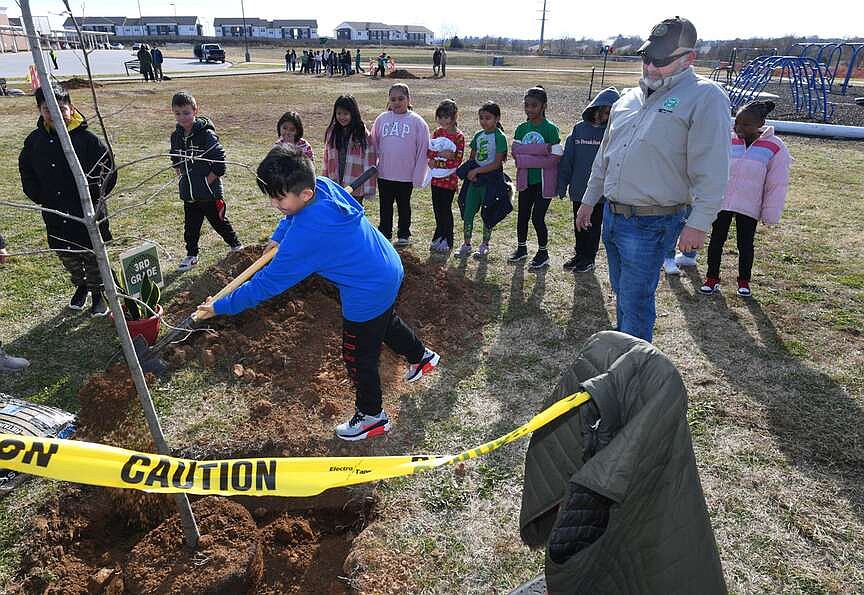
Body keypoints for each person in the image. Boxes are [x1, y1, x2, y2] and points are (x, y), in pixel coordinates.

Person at [195, 146, 440, 441]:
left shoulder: (307, 238)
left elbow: (265, 284)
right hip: (386, 266)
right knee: (384, 321)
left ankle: (372, 416)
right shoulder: (321, 184)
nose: (274, 203)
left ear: (305, 194)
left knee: (357, 354)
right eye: (271, 195)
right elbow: (290, 218)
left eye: (279, 196)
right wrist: (277, 238)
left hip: (366, 287)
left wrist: (221, 305)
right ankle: (421, 356)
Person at [577, 16, 730, 342]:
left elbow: (713, 167)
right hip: (614, 217)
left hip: (652, 222)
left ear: (689, 58)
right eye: (647, 57)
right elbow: (605, 157)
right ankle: (628, 353)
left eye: (661, 60)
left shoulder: (704, 98)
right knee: (623, 293)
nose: (650, 66)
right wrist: (589, 200)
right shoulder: (626, 100)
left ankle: (631, 371)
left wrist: (699, 222)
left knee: (635, 302)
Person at [18, 85, 116, 317]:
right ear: (40, 111)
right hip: (55, 213)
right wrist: (40, 196)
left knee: (92, 254)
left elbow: (107, 170)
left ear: (71, 108)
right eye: (47, 109)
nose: (54, 113)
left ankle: (97, 292)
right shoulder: (35, 141)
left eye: (60, 108)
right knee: (67, 254)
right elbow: (27, 171)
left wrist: (92, 195)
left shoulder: (87, 139)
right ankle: (80, 286)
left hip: (86, 211)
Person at [701, 100, 791, 297]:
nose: (739, 128)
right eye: (737, 123)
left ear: (760, 124)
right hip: (723, 202)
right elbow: (713, 168)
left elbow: (777, 183)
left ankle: (743, 281)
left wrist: (770, 213)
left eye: (746, 125)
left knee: (745, 244)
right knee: (716, 240)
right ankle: (712, 278)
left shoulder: (775, 147)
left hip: (750, 206)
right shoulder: (728, 139)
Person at [170, 91, 243, 272]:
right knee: (191, 227)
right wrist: (181, 174)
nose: (182, 117)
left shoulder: (205, 135)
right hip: (189, 193)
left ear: (195, 111)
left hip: (209, 193)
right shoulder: (176, 136)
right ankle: (192, 255)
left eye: (186, 112)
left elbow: (220, 161)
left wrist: (206, 181)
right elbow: (174, 157)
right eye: (178, 113)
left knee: (219, 221)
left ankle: (236, 246)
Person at [557, 87, 620, 273]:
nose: (609, 115)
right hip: (578, 188)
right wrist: (562, 183)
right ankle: (579, 254)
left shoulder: (613, 133)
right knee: (578, 223)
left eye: (612, 112)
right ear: (596, 109)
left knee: (592, 227)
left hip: (599, 194)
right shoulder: (579, 129)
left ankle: (589, 258)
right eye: (606, 111)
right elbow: (568, 158)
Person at [509, 85, 561, 270]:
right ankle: (521, 248)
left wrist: (526, 157)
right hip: (526, 181)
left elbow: (554, 158)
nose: (530, 109)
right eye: (527, 105)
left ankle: (543, 253)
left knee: (537, 218)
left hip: (544, 183)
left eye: (534, 105)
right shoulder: (521, 128)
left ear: (543, 106)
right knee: (522, 216)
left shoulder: (551, 129)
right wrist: (541, 151)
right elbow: (515, 153)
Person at [371, 83, 430, 246]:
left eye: (401, 99)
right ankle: (385, 232)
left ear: (408, 99)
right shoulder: (382, 119)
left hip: (406, 175)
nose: (397, 102)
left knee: (404, 206)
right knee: (385, 205)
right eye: (393, 99)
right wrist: (373, 166)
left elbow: (423, 150)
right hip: (384, 173)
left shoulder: (417, 122)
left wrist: (418, 175)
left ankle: (403, 234)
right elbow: (373, 143)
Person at [454, 101, 509, 259]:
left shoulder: (500, 137)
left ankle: (485, 244)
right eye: (481, 118)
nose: (484, 121)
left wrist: (477, 170)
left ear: (497, 118)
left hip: (490, 181)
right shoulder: (478, 135)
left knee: (488, 212)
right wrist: (470, 171)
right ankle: (466, 244)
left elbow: (497, 163)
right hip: (475, 181)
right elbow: (473, 158)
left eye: (488, 118)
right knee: (468, 211)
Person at [322, 95, 377, 203]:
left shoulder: (362, 133)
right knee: (337, 215)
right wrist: (325, 182)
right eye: (338, 113)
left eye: (346, 114)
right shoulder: (332, 132)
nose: (342, 117)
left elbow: (369, 162)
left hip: (355, 187)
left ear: (353, 114)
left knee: (353, 215)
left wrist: (369, 188)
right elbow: (326, 158)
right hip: (335, 186)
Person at [427, 99, 465, 252]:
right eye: (440, 117)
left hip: (449, 181)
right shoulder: (437, 132)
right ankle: (438, 235)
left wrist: (439, 162)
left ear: (454, 117)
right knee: (437, 209)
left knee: (445, 209)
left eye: (446, 117)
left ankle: (448, 239)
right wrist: (436, 157)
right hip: (435, 180)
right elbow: (429, 150)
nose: (443, 120)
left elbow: (456, 161)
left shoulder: (458, 137)